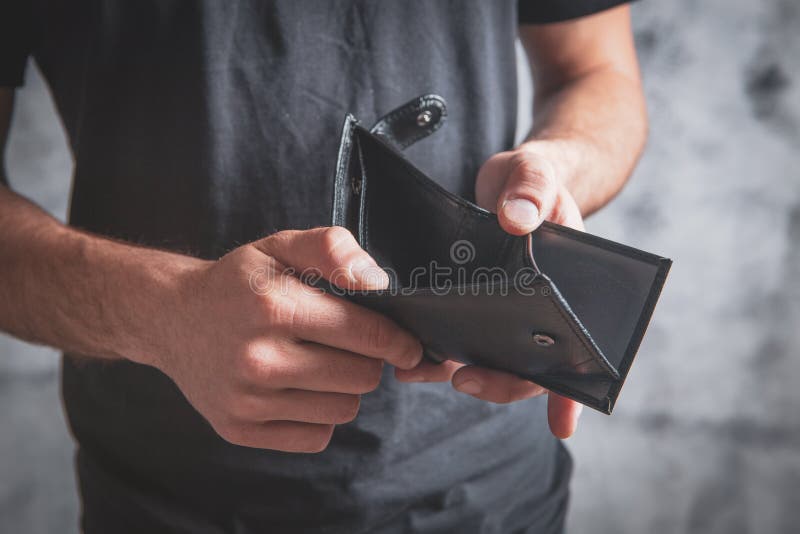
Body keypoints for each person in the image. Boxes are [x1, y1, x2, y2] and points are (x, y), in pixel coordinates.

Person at [0, 1, 647, 532]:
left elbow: (595, 72)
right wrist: (164, 313)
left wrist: (554, 172)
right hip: (168, 498)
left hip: (496, 495)